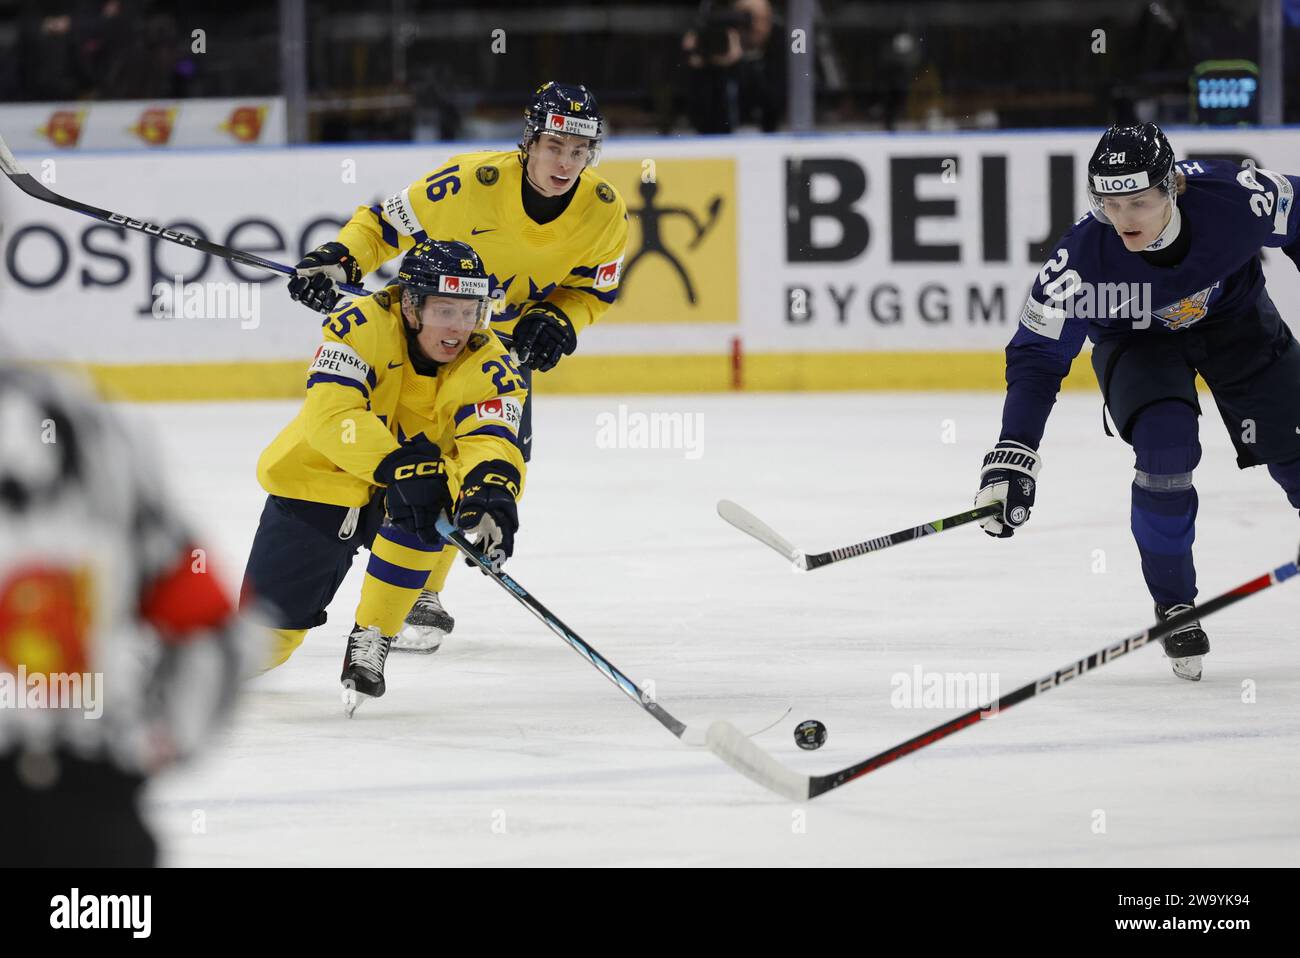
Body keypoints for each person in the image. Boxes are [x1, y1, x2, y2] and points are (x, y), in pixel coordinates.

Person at [286, 81, 627, 655]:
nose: (566, 162)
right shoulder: (469, 183)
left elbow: (593, 289)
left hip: (496, 352)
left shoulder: (604, 210)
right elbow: (381, 225)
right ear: (529, 140)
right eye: (554, 145)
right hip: (429, 336)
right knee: (411, 457)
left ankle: (422, 589)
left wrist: (561, 319)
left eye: (579, 150)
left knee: (484, 457)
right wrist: (340, 257)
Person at [976, 122, 1300, 681]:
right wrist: (1013, 451)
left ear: (1173, 185)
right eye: (1109, 204)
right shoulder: (1080, 263)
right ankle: (1175, 602)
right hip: (1136, 342)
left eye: (1138, 202)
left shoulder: (1239, 201)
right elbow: (1038, 358)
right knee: (1166, 450)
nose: (1124, 219)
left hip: (1237, 324)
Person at [243, 239, 526, 715]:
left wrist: (492, 493)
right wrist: (396, 464)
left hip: (412, 494)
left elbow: (491, 439)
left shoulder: (491, 362)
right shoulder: (359, 328)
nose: (459, 328)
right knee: (263, 642)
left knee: (431, 501)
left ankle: (373, 633)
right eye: (446, 310)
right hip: (323, 481)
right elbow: (331, 417)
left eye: (470, 311)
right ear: (412, 305)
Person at [0, 363, 248, 866]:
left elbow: (203, 619)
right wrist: (146, 747)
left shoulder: (65, 420)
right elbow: (207, 625)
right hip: (80, 806)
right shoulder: (73, 417)